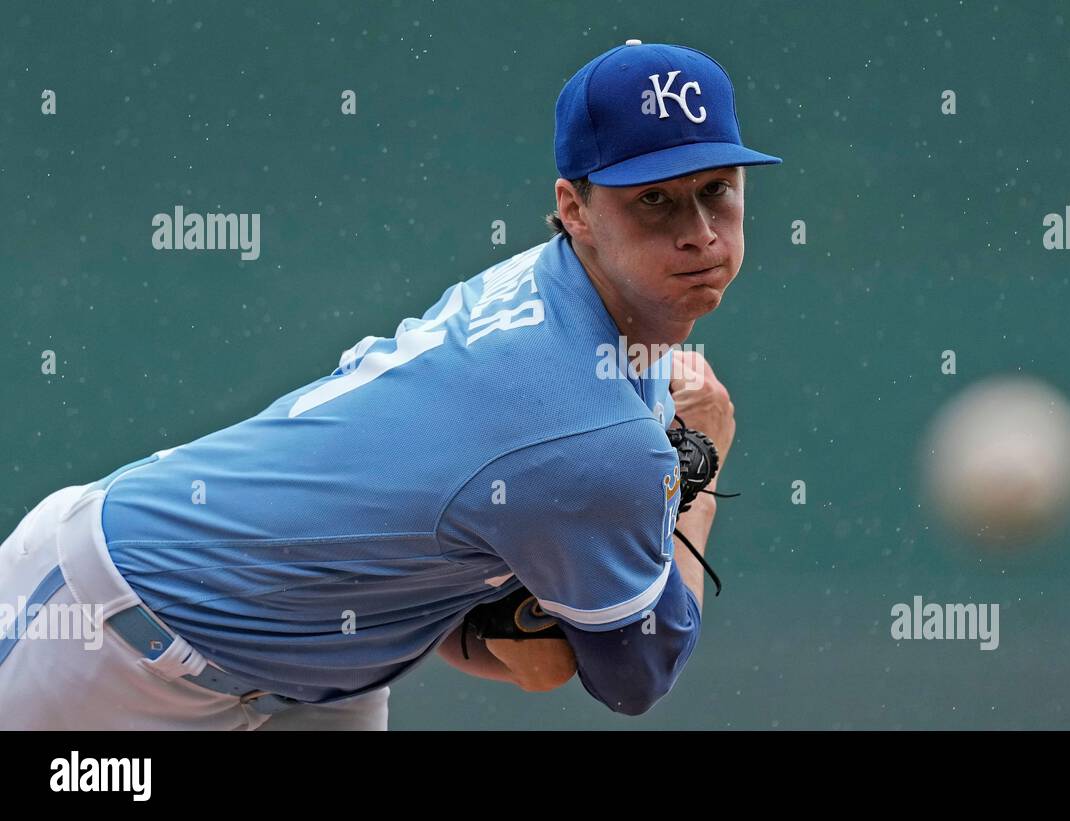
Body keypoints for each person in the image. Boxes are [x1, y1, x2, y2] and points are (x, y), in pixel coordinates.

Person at [0, 39, 780, 729]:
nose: (700, 231)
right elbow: (639, 671)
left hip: (309, 678)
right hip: (111, 638)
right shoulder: (587, 431)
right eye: (653, 197)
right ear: (572, 208)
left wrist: (468, 603)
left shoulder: (554, 289)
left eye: (717, 188)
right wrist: (702, 466)